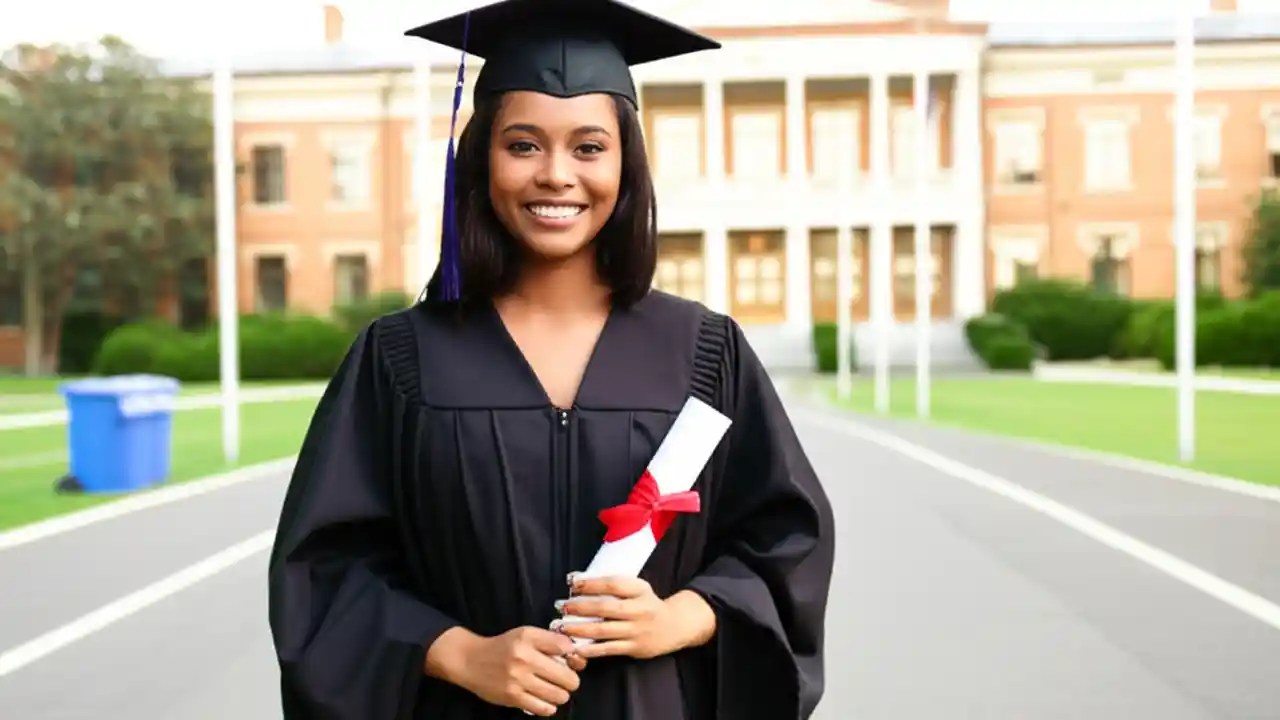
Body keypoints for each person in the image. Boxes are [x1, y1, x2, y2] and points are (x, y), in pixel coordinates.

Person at [266, 0, 835, 717]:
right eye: (524, 145)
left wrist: (681, 615)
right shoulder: (401, 359)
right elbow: (326, 570)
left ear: (627, 166)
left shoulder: (703, 352)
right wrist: (458, 652)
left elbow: (785, 543)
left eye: (589, 147)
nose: (557, 175)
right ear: (481, 161)